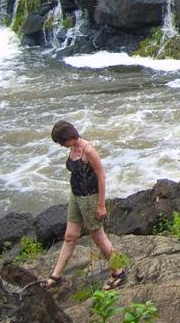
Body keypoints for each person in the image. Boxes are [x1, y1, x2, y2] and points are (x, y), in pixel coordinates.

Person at [41, 120, 127, 290]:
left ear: (69, 137)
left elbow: (101, 176)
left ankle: (119, 272)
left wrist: (101, 205)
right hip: (75, 195)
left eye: (61, 142)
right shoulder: (73, 148)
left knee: (98, 236)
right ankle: (55, 276)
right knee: (70, 236)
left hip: (89, 197)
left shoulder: (88, 150)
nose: (61, 145)